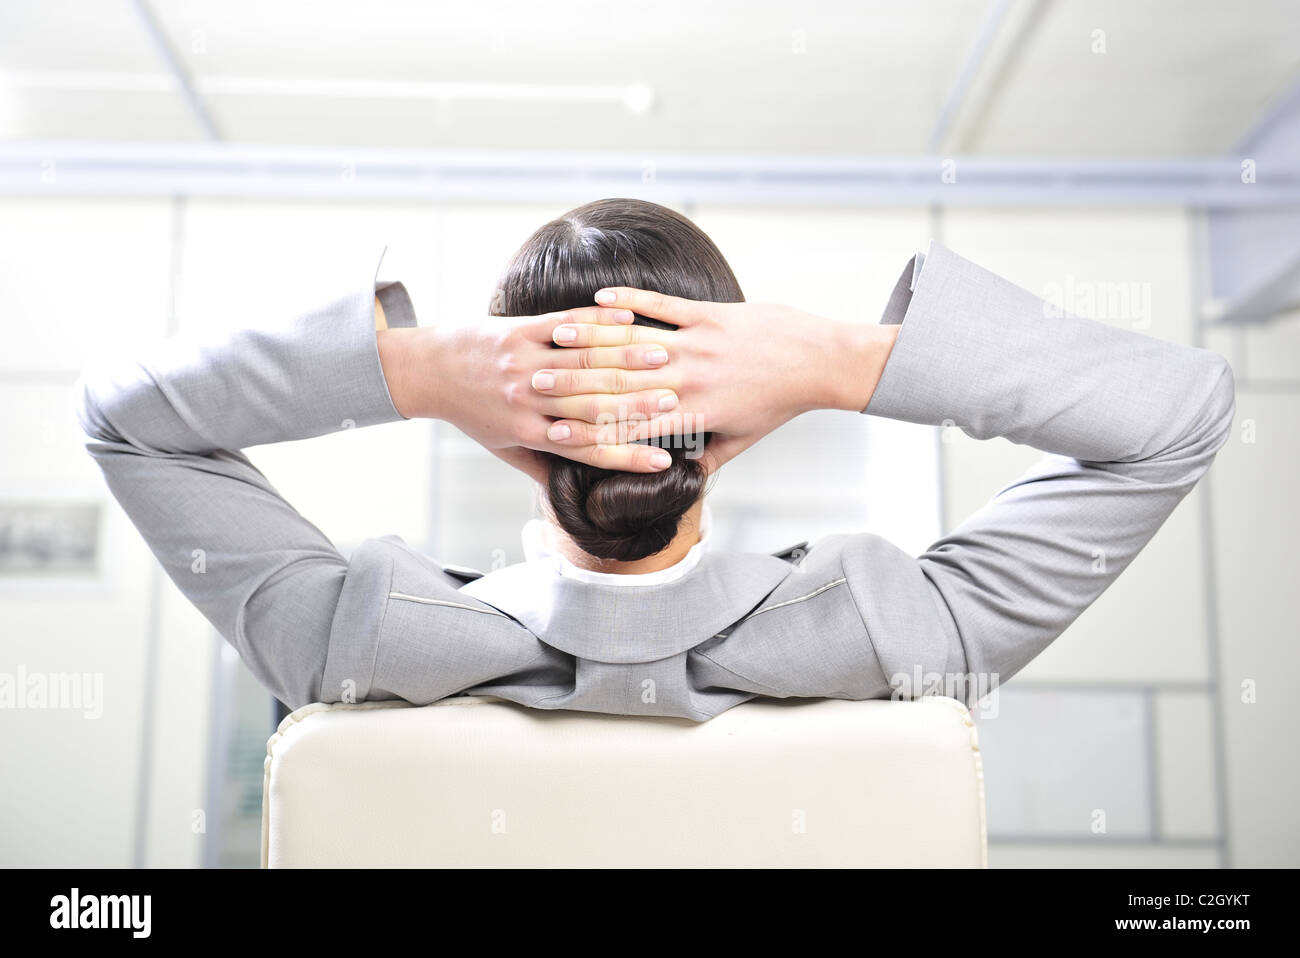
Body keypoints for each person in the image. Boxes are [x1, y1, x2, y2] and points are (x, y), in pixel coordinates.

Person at [76, 198, 1236, 722]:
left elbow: (123, 416)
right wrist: (842, 360)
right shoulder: (895, 638)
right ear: (729, 417)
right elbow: (1178, 417)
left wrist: (419, 370)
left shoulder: (357, 645)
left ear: (516, 436)